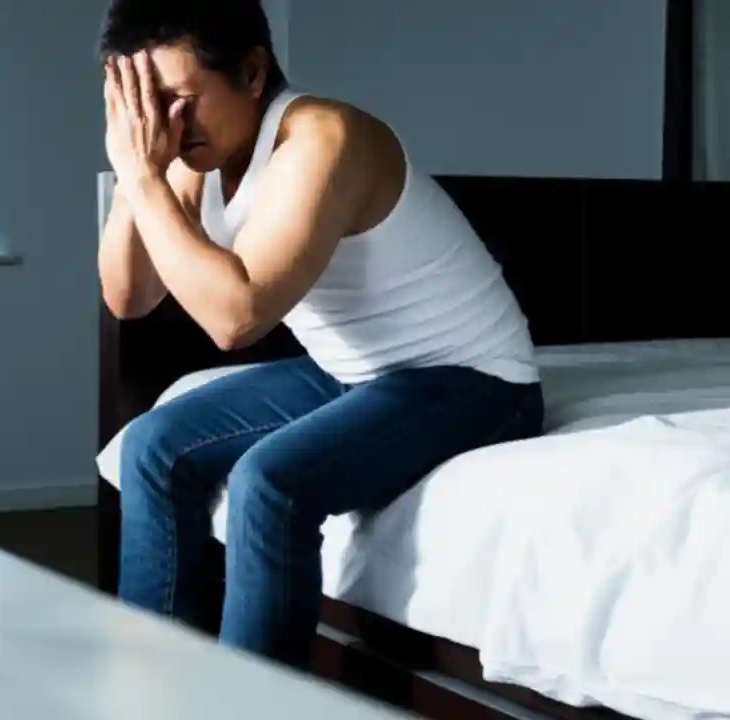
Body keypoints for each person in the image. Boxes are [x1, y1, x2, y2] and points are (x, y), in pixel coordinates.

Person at [97, 0, 545, 672]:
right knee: (153, 446)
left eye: (180, 97)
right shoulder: (191, 150)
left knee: (268, 484)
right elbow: (130, 296)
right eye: (144, 103)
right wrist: (145, 173)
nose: (162, 123)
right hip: (353, 371)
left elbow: (236, 318)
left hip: (473, 380)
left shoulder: (323, 139)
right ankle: (152, 687)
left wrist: (139, 176)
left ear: (252, 72)